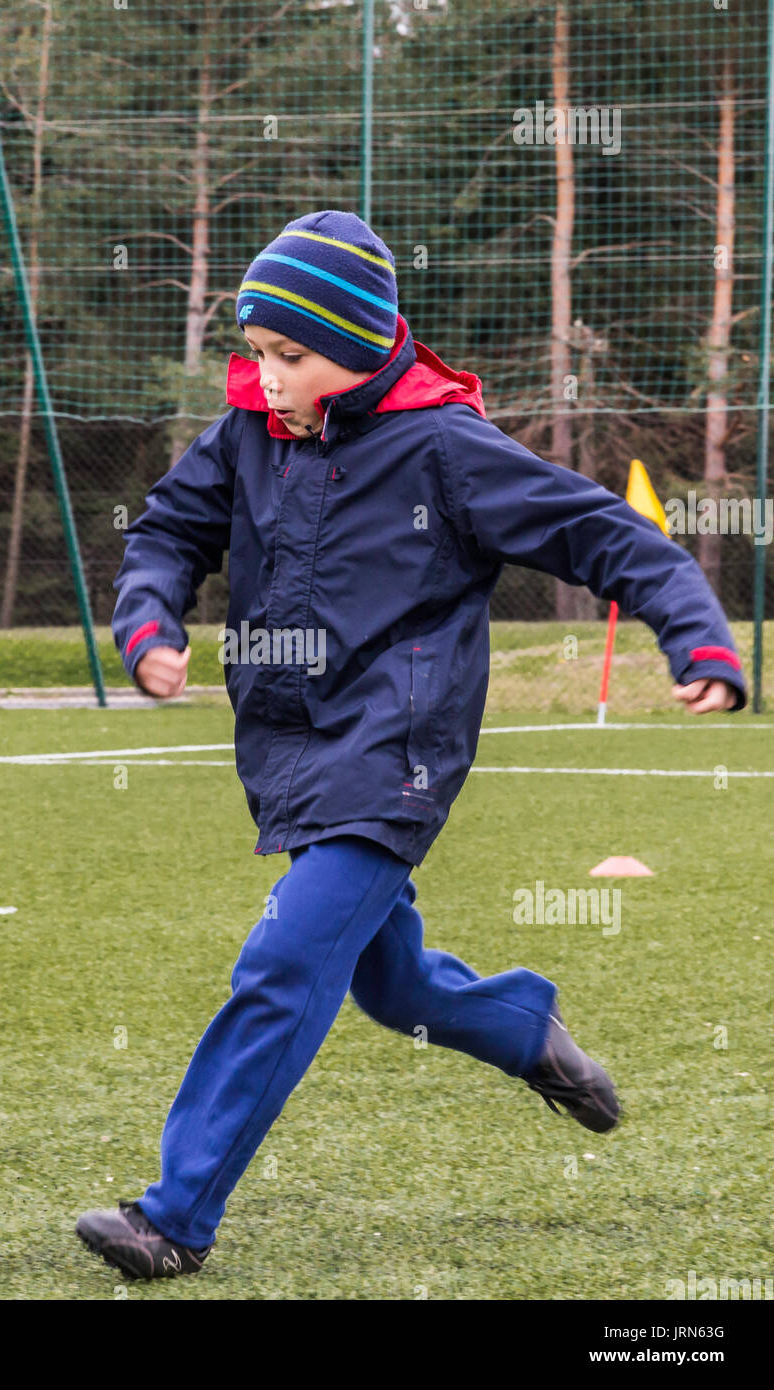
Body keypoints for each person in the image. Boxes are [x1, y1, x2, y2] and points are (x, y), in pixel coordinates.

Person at [77, 210, 746, 1281]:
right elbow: (165, 531)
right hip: (290, 754)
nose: (267, 379)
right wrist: (150, 620)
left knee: (286, 962)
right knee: (389, 986)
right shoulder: (247, 434)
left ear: (356, 344)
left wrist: (697, 636)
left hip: (395, 754)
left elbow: (602, 533)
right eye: (254, 355)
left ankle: (172, 1214)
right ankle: (521, 1024)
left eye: (289, 356)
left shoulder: (444, 447)